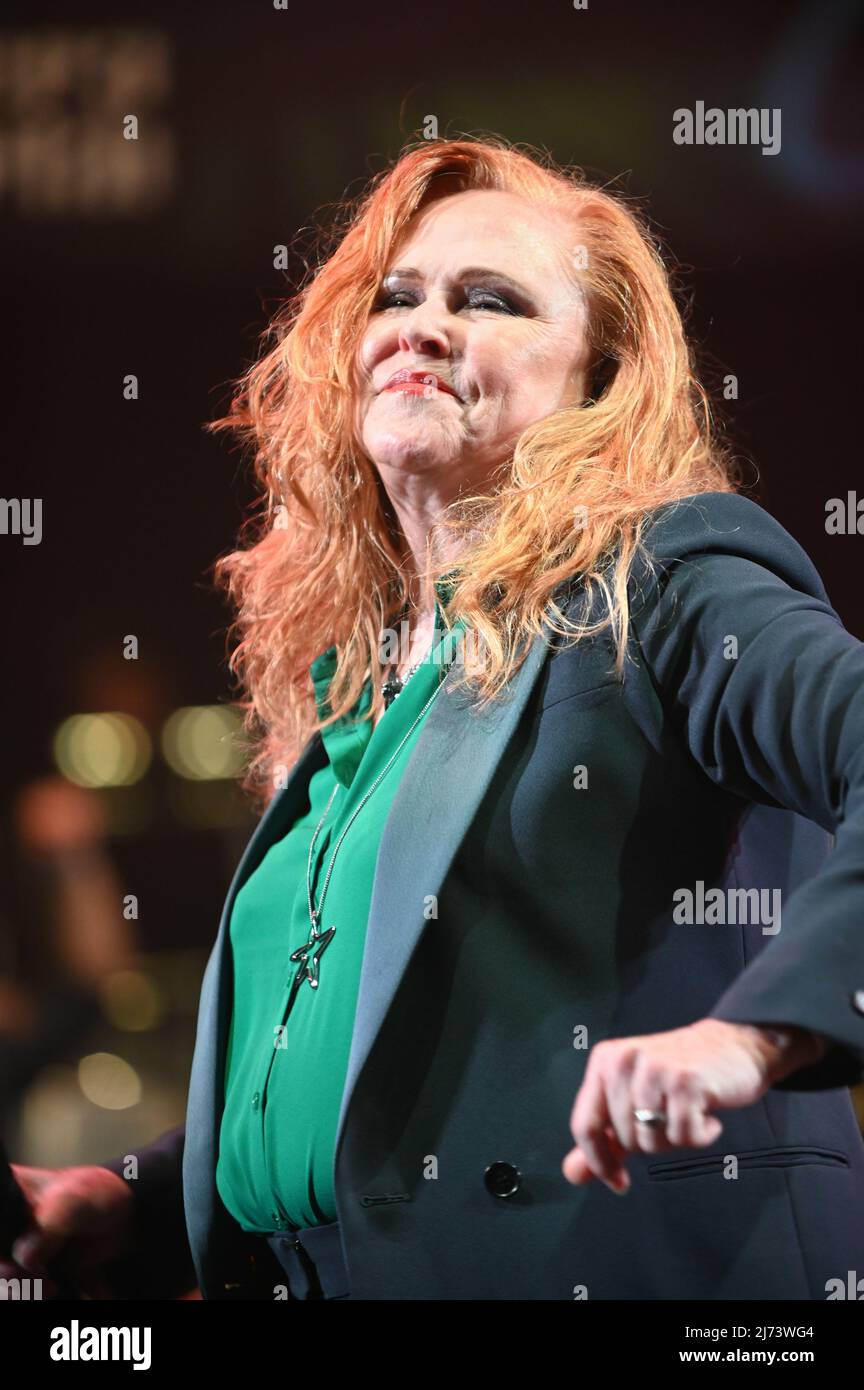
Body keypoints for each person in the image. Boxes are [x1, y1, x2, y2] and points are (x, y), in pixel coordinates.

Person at [4, 135, 864, 1302]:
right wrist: (143, 1198)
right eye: (397, 296)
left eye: (491, 299)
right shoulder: (357, 689)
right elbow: (394, 1060)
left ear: (602, 377)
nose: (420, 324)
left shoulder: (665, 574)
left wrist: (751, 1034)